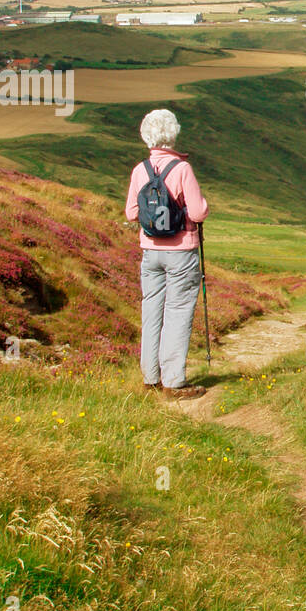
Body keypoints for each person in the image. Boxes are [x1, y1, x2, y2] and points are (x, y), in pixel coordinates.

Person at [124, 109, 209, 398]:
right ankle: (173, 381)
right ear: (172, 134)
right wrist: (202, 205)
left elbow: (131, 212)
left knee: (151, 311)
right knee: (177, 312)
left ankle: (150, 378)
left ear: (146, 136)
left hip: (150, 251)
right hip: (181, 252)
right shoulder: (182, 169)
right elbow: (198, 212)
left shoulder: (140, 170)